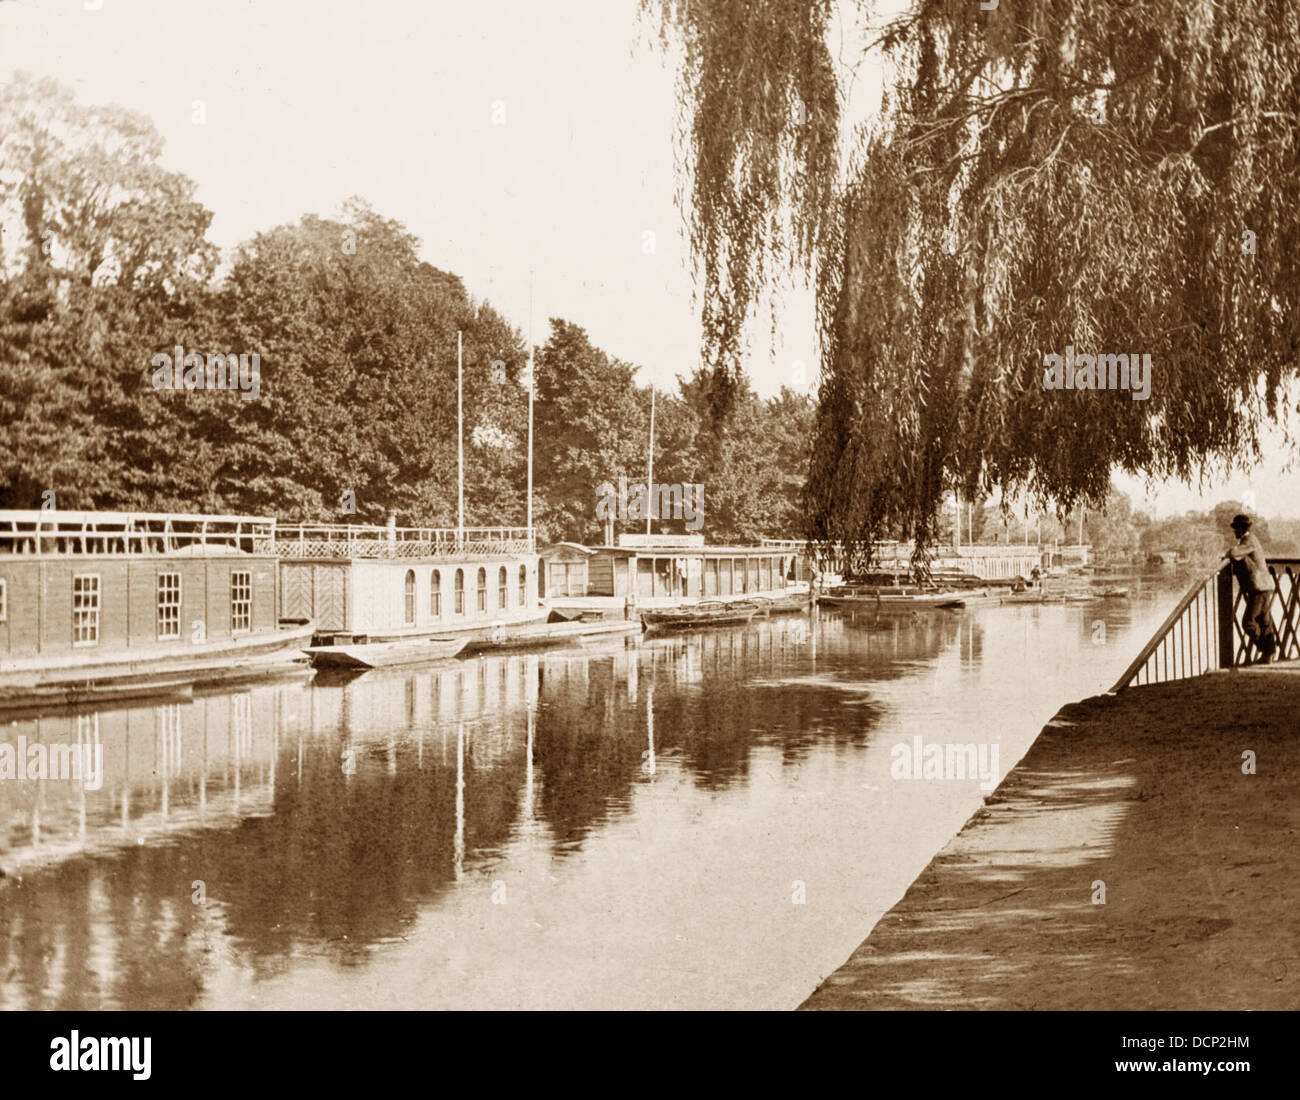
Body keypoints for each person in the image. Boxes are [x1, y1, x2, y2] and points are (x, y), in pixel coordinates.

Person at [1225, 513, 1277, 663]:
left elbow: (1235, 553)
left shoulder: (1248, 541)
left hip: (1260, 587)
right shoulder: (1250, 540)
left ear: (1242, 528)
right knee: (1264, 621)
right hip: (1264, 586)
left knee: (1248, 622)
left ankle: (1266, 651)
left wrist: (1230, 551)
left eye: (1236, 528)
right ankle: (1269, 654)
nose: (1234, 531)